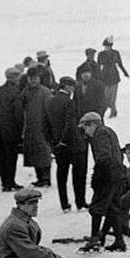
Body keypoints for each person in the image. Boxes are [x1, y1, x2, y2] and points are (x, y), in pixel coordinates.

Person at [0, 187, 76, 258]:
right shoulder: (14, 226)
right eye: (31, 203)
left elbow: (32, 249)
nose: (35, 206)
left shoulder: (24, 221)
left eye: (36, 202)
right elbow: (29, 253)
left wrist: (52, 256)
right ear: (20, 205)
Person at [79, 112, 128, 252]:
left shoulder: (100, 134)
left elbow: (103, 157)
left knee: (96, 208)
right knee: (113, 208)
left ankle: (94, 239)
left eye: (86, 128)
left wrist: (98, 177)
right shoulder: (108, 131)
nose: (86, 132)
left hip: (108, 175)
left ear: (93, 124)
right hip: (118, 174)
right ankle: (119, 241)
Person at [0, 66, 25, 192]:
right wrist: (21, 128)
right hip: (11, 130)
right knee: (11, 157)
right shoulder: (16, 92)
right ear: (14, 78)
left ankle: (5, 183)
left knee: (2, 157)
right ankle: (10, 182)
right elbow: (18, 113)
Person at [47, 76, 78, 211]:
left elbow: (46, 123)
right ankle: (79, 201)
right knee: (76, 174)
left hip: (55, 142)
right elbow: (69, 124)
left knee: (61, 174)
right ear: (66, 87)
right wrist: (64, 141)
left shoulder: (51, 101)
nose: (73, 89)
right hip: (68, 143)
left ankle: (64, 203)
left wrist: (53, 141)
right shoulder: (69, 102)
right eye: (72, 86)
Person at [21, 65, 55, 187]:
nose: (33, 80)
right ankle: (39, 178)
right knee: (34, 154)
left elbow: (51, 111)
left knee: (44, 153)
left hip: (42, 128)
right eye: (31, 78)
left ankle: (46, 179)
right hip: (30, 128)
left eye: (35, 78)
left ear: (39, 78)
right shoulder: (25, 92)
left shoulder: (45, 92)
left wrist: (50, 128)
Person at [97, 36, 130, 119]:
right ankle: (112, 110)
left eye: (107, 46)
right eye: (105, 46)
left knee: (113, 97)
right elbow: (98, 66)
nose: (106, 48)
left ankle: (112, 112)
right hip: (104, 77)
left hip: (114, 77)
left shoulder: (116, 53)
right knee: (105, 97)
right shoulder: (101, 54)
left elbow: (120, 64)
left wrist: (125, 73)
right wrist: (97, 76)